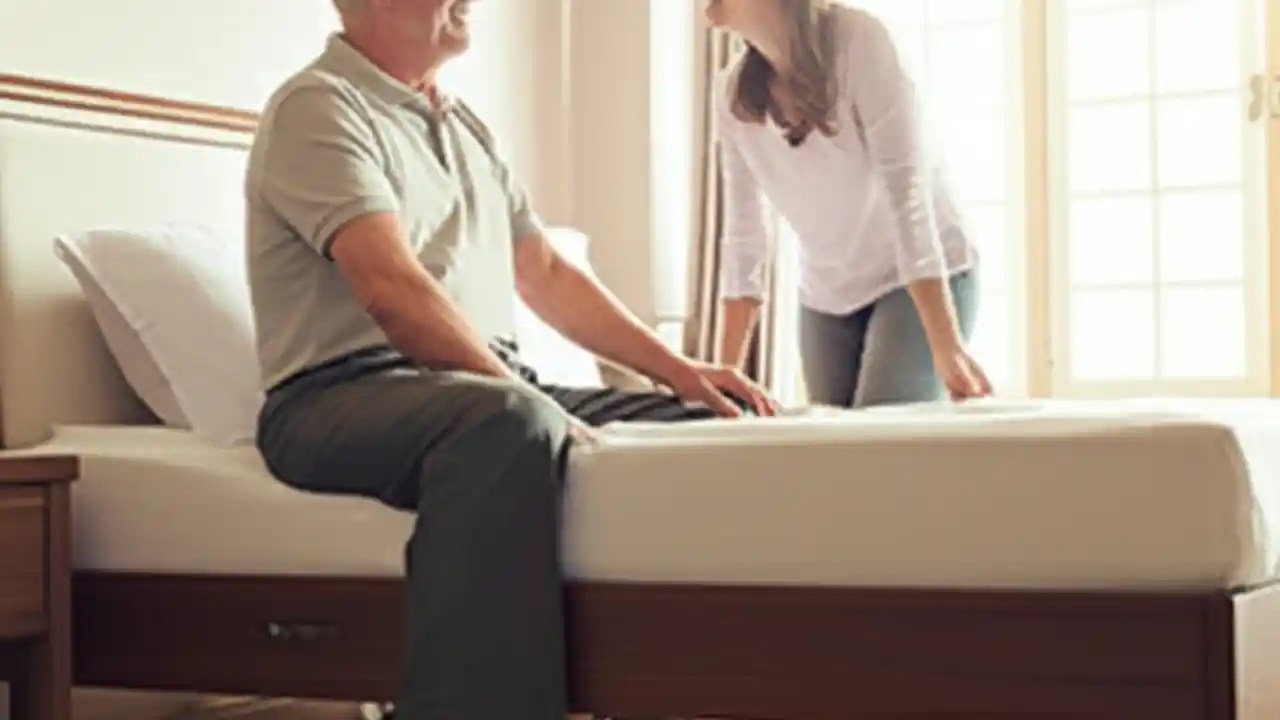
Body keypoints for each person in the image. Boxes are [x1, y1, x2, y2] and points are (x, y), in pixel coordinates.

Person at [244, 0, 778, 717]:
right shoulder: (320, 107)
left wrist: (680, 371)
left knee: (710, 424)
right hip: (339, 395)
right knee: (510, 423)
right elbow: (391, 288)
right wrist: (526, 401)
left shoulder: (463, 125)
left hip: (476, 386)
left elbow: (546, 273)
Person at [706, 0, 994, 408]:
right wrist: (724, 378)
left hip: (917, 279)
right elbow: (744, 238)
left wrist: (946, 345)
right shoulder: (732, 94)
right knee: (835, 443)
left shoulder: (861, 43)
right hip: (828, 295)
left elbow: (906, 196)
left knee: (878, 437)